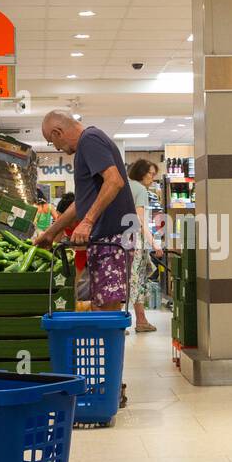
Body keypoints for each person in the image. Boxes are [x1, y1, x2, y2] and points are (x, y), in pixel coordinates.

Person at [34, 112, 134, 312]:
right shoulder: (87, 146)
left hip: (112, 239)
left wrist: (87, 222)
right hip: (105, 240)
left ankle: (109, 344)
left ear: (57, 132)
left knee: (107, 309)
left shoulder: (90, 140)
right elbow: (81, 203)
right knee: (101, 307)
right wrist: (51, 233)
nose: (55, 147)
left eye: (51, 141)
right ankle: (106, 344)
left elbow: (114, 181)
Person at [126, 159, 162, 332]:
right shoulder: (140, 189)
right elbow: (140, 221)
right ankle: (140, 321)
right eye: (151, 174)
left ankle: (118, 321)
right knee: (137, 281)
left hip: (119, 241)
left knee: (122, 280)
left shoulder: (123, 186)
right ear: (141, 172)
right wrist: (154, 242)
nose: (153, 178)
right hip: (136, 242)